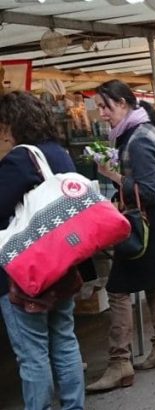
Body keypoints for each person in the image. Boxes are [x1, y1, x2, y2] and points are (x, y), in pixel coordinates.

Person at [88, 79, 155, 393]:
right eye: (99, 107)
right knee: (153, 282)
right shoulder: (138, 131)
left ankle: (120, 363)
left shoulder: (138, 138)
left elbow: (149, 192)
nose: (102, 114)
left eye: (105, 106)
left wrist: (111, 175)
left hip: (144, 229)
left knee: (117, 289)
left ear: (123, 103)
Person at [0, 91, 86, 410]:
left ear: (12, 124)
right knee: (64, 339)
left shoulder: (20, 159)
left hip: (24, 271)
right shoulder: (59, 154)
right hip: (61, 263)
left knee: (32, 352)